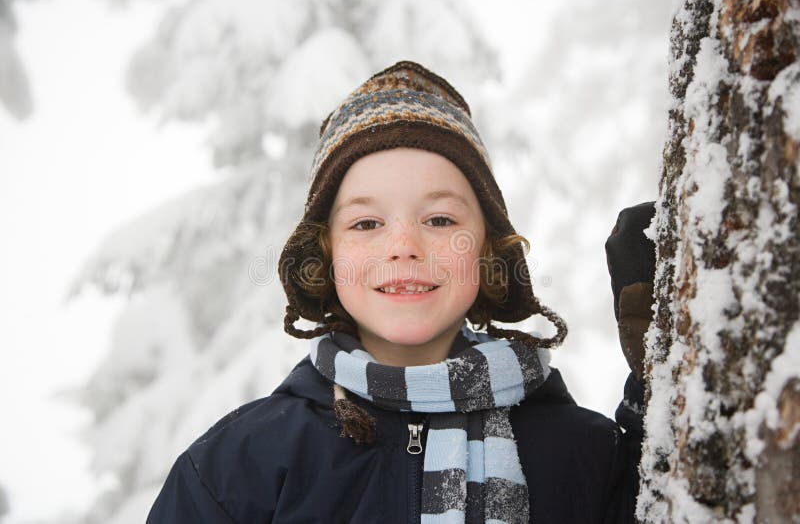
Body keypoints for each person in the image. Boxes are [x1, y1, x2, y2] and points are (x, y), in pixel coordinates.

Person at [146, 61, 655, 523]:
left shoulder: (586, 455)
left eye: (439, 219)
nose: (405, 246)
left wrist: (659, 389)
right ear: (324, 256)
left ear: (486, 251)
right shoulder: (237, 466)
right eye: (367, 223)